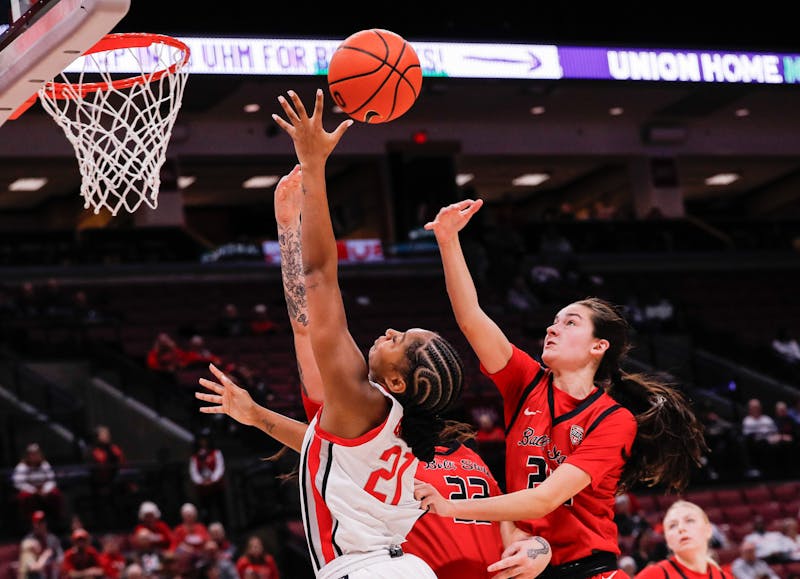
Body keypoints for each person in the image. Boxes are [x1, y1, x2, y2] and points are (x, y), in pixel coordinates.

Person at [269, 155, 551, 579]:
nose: (388, 330)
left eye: (400, 338)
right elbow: (306, 327)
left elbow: (515, 532)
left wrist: (537, 547)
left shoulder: (460, 453)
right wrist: (289, 226)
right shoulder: (356, 413)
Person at [417, 197, 708, 579]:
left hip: (588, 568)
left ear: (598, 346)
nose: (552, 328)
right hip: (528, 564)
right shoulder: (524, 380)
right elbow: (471, 318)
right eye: (554, 321)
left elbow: (545, 499)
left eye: (570, 323)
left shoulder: (614, 418)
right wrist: (448, 240)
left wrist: (448, 506)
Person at [632, 500, 732, 579]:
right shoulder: (654, 575)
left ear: (708, 530)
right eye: (672, 526)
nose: (681, 528)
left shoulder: (724, 577)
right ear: (667, 540)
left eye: (689, 520)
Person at [13, 443, 64, 525]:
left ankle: (56, 520)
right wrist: (34, 491)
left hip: (44, 491)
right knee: (24, 497)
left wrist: (45, 490)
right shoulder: (22, 466)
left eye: (36, 454)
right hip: (30, 491)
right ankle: (28, 522)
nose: (34, 456)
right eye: (32, 454)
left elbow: (51, 479)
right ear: (28, 455)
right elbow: (18, 482)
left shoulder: (45, 464)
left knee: (56, 494)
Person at [189, 429, 228, 525]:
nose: (203, 442)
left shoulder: (216, 453)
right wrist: (202, 481)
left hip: (217, 487)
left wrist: (212, 480)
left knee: (222, 510)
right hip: (203, 489)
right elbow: (193, 472)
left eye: (205, 439)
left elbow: (220, 468)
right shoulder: (195, 457)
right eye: (201, 440)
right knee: (206, 512)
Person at [23, 511, 63, 579]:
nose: (39, 525)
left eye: (41, 522)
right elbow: (33, 567)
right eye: (36, 523)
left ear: (45, 523)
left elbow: (60, 557)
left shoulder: (53, 539)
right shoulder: (28, 541)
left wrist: (55, 563)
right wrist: (45, 555)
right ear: (33, 524)